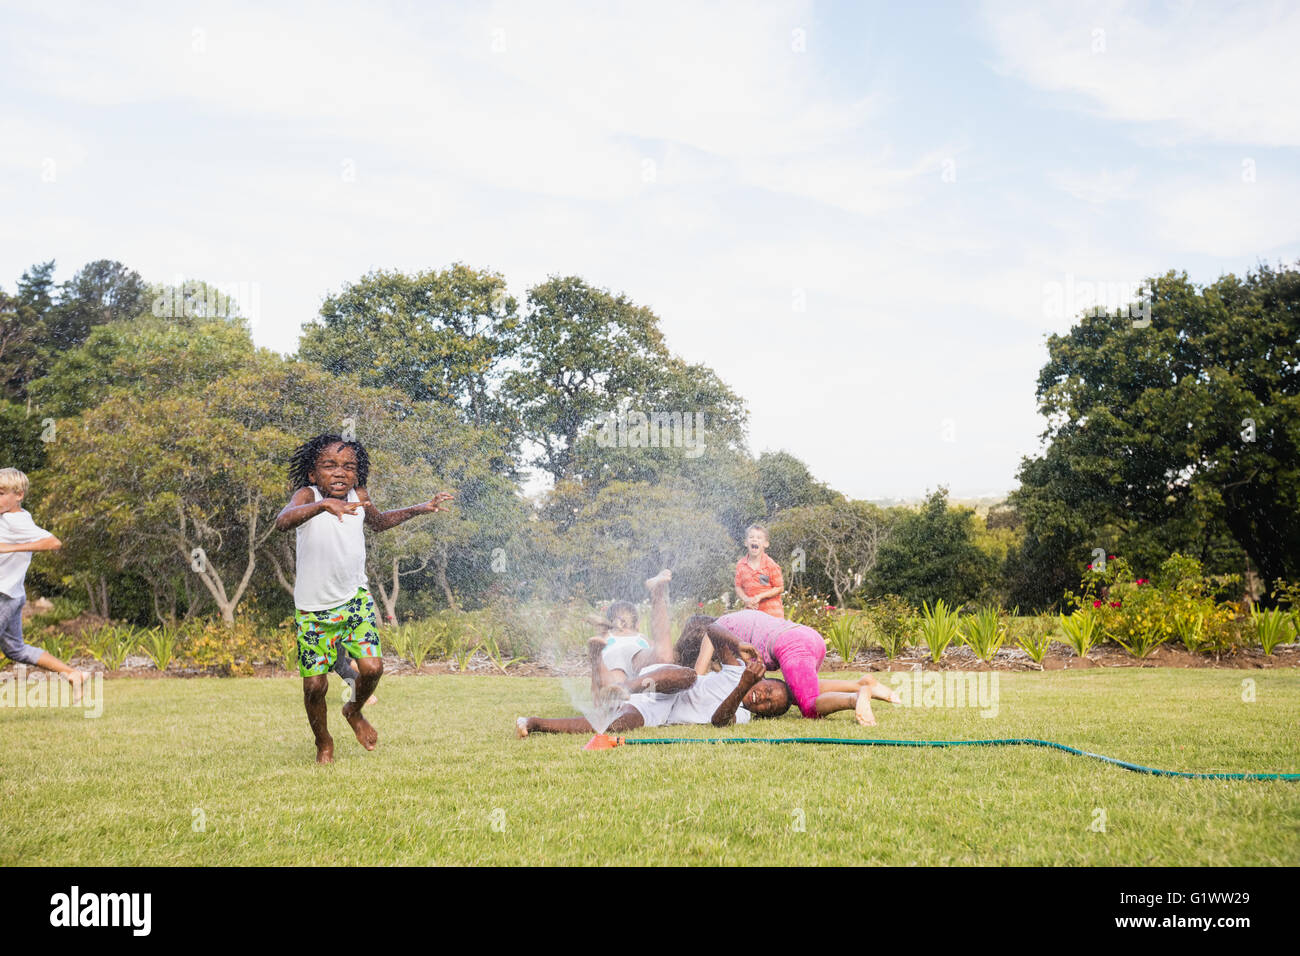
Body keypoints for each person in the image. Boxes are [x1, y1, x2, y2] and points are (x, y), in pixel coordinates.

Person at [275, 434, 453, 763]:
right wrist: (322, 505)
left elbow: (380, 522)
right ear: (314, 474)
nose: (340, 472)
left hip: (354, 600)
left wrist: (421, 508)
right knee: (314, 686)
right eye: (329, 466)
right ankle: (323, 742)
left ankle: (353, 711)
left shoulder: (359, 496)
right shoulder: (307, 494)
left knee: (372, 667)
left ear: (357, 474)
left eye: (349, 467)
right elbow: (282, 521)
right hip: (313, 609)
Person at [517, 623, 787, 737]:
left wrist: (742, 689)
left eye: (770, 706)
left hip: (663, 710)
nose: (763, 698)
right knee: (690, 676)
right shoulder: (737, 671)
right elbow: (712, 629)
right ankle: (622, 688)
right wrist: (736, 643)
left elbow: (719, 721)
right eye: (769, 691)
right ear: (766, 679)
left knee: (620, 724)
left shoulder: (743, 716)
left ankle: (537, 723)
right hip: (667, 681)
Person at [680, 609, 900, 726]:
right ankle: (860, 684)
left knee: (810, 708)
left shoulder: (713, 631)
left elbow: (697, 674)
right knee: (797, 691)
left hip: (790, 646)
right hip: (806, 637)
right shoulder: (732, 620)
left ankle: (856, 697)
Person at [0, 469, 84, 700]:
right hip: (13, 595)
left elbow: (53, 542)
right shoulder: (9, 516)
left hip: (4, 596)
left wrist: (9, 548)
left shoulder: (16, 520)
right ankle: (72, 673)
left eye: (0, 493)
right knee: (15, 649)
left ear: (19, 495)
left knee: (16, 649)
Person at [588, 570, 677, 699]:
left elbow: (595, 684)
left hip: (611, 656)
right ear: (638, 623)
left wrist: (595, 695)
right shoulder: (641, 638)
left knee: (615, 682)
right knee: (663, 656)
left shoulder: (607, 636)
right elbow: (660, 652)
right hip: (638, 651)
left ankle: (599, 661)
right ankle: (657, 594)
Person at [734, 525, 785, 618]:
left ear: (766, 544)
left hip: (772, 614)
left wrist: (760, 596)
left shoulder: (770, 564)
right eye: (751, 537)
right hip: (752, 614)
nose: (754, 540)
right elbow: (738, 587)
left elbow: (779, 588)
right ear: (745, 542)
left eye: (759, 538)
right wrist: (746, 599)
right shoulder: (741, 565)